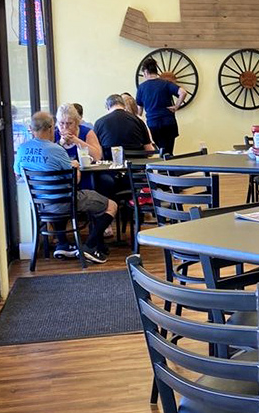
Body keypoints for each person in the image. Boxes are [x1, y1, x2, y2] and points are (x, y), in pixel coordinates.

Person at [14, 111, 117, 264]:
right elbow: (74, 181)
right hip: (65, 203)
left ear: (31, 128)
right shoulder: (56, 150)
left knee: (58, 199)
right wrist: (75, 167)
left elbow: (18, 174)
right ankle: (89, 246)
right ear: (50, 128)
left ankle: (63, 244)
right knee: (112, 205)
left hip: (40, 205)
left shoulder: (22, 150)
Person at [135, 59, 187, 155]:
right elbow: (183, 92)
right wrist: (176, 106)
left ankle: (163, 168)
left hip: (153, 123)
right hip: (168, 122)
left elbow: (139, 110)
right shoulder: (166, 84)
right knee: (169, 150)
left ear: (146, 72)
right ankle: (169, 167)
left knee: (161, 150)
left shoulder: (142, 88)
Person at [93, 94, 155, 161]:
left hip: (110, 166)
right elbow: (149, 151)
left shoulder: (99, 123)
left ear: (107, 107)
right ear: (124, 105)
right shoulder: (138, 121)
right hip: (136, 165)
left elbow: (98, 153)